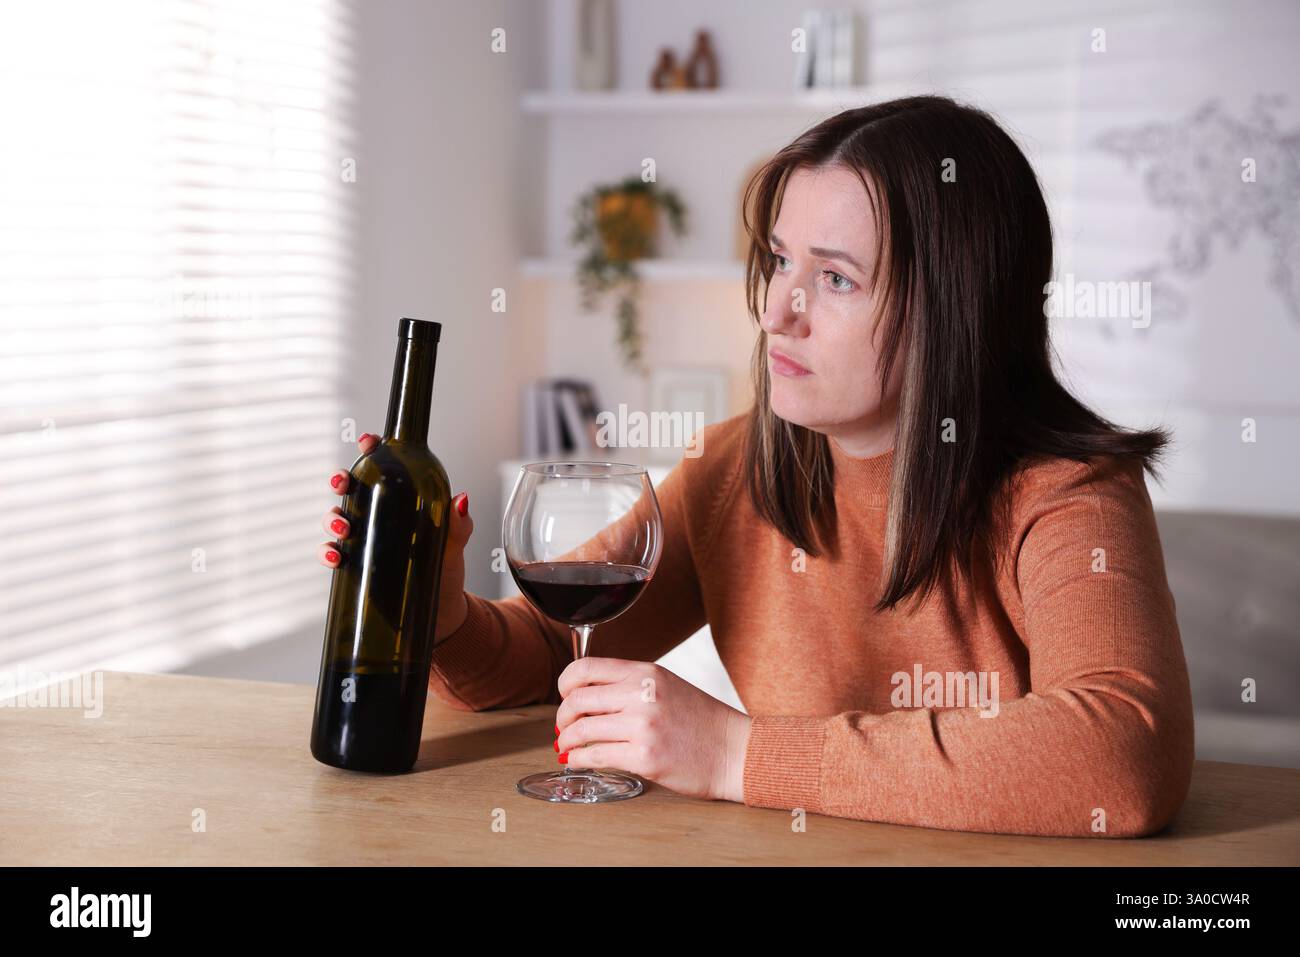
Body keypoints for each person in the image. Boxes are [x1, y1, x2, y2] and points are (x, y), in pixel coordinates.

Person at [318, 96, 1194, 838]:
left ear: (954, 308)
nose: (778, 309)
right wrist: (436, 615)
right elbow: (556, 650)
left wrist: (735, 753)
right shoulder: (740, 464)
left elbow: (1120, 753)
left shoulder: (1070, 493)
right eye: (779, 261)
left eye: (836, 278)